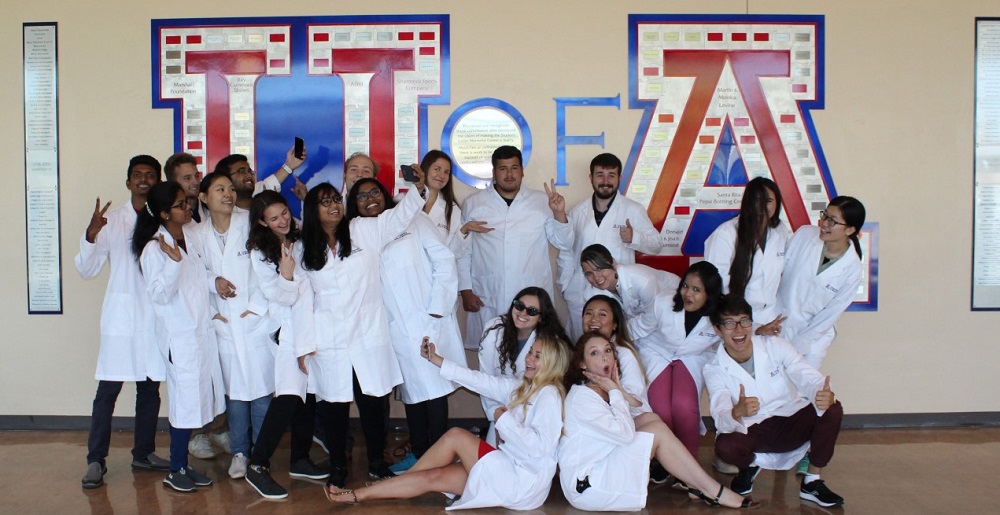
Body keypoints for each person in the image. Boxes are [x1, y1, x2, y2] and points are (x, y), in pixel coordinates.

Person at [294, 173, 429, 488]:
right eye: (324, 202)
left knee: (372, 403)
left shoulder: (363, 230)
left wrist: (419, 189)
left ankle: (377, 461)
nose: (333, 207)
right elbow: (301, 302)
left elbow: (399, 217)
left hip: (368, 334)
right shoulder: (303, 249)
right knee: (334, 407)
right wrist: (303, 345)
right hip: (328, 339)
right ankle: (338, 465)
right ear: (312, 210)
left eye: (335, 200)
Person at [327, 336, 570, 510]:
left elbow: (539, 447)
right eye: (531, 352)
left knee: (455, 435)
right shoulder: (521, 386)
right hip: (506, 471)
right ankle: (356, 496)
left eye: (538, 356)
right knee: (431, 478)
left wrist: (502, 418)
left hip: (522, 481)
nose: (530, 358)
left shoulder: (549, 395)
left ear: (552, 363)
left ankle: (399, 480)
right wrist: (437, 360)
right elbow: (478, 380)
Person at [559, 332, 757, 510]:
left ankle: (700, 486)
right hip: (587, 485)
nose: (604, 357)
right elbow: (626, 434)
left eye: (608, 350)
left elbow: (639, 409)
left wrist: (617, 389)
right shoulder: (582, 398)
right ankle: (713, 490)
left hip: (602, 461)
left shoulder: (601, 389)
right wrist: (614, 391)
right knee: (657, 431)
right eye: (594, 353)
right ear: (582, 364)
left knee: (651, 419)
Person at [76, 155, 169, 488]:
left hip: (154, 318)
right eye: (137, 175)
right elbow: (86, 270)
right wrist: (90, 236)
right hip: (121, 318)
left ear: (157, 181)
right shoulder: (110, 221)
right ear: (128, 181)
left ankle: (143, 453)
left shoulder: (164, 219)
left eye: (149, 175)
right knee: (107, 392)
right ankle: (95, 460)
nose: (143, 179)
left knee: (149, 390)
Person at [704, 296, 845, 507]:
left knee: (832, 409)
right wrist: (736, 412)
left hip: (789, 419)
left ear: (752, 323)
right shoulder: (714, 368)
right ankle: (749, 467)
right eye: (729, 324)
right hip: (755, 428)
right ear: (717, 329)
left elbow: (804, 373)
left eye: (744, 321)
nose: (739, 330)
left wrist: (823, 393)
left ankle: (812, 482)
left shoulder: (774, 345)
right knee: (726, 446)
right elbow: (720, 412)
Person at [132, 181, 226, 492]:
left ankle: (184, 465)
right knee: (184, 405)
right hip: (180, 339)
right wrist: (172, 264)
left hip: (200, 333)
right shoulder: (154, 248)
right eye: (180, 205)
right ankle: (175, 469)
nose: (188, 209)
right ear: (163, 213)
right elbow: (159, 294)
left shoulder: (189, 239)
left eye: (187, 203)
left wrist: (217, 283)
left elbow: (198, 277)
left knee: (198, 401)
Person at [380, 155, 468, 474]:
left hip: (428, 317)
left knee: (434, 389)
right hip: (394, 325)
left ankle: (439, 457)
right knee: (414, 392)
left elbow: (445, 261)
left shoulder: (418, 222)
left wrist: (437, 309)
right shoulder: (370, 230)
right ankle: (418, 454)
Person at [243, 191, 326, 499]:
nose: (282, 220)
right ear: (262, 222)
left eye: (284, 213)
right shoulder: (260, 252)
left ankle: (300, 459)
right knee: (289, 396)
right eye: (274, 217)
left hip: (314, 327)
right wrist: (287, 276)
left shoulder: (301, 236)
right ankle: (258, 465)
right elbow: (280, 297)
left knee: (309, 396)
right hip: (288, 330)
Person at [194, 172, 276, 480]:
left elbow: (268, 267)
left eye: (230, 189)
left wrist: (256, 309)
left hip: (255, 318)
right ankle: (240, 452)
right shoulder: (196, 234)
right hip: (224, 322)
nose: (228, 194)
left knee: (262, 391)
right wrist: (213, 283)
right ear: (203, 198)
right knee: (236, 393)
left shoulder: (250, 223)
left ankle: (261, 454)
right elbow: (192, 275)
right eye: (220, 189)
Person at [457, 145, 573, 349]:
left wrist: (559, 213)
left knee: (534, 355)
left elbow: (563, 243)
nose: (509, 174)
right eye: (502, 168)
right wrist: (465, 291)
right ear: (494, 172)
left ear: (522, 171)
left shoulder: (541, 201)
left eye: (514, 168)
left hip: (531, 293)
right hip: (489, 293)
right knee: (492, 356)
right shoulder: (474, 203)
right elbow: (465, 251)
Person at [557, 153, 663, 340]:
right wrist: (565, 284)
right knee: (580, 347)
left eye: (611, 175)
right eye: (600, 175)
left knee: (614, 347)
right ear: (591, 178)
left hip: (617, 294)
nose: (605, 181)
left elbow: (656, 245)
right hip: (580, 292)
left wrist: (635, 238)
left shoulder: (632, 209)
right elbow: (566, 250)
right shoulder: (578, 211)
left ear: (619, 178)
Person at [638, 262, 724, 458]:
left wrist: (760, 330)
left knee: (683, 405)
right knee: (660, 408)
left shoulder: (719, 313)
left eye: (696, 290)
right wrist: (615, 337)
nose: (688, 294)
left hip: (691, 357)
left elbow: (736, 327)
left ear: (709, 293)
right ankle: (664, 459)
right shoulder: (663, 302)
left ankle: (688, 461)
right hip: (658, 352)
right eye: (685, 286)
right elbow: (641, 326)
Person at [775, 196, 865, 369]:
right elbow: (777, 273)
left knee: (802, 392)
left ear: (850, 230)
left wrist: (797, 346)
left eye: (833, 221)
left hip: (812, 340)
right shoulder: (804, 235)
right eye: (825, 215)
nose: (824, 224)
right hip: (778, 325)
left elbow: (831, 314)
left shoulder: (852, 268)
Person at [477, 287, 570, 445]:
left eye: (532, 311)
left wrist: (517, 419)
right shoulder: (494, 329)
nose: (523, 313)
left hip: (532, 412)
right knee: (489, 458)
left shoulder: (549, 340)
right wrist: (497, 415)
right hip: (500, 409)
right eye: (519, 306)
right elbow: (484, 379)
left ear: (541, 317)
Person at [703, 177, 790, 327]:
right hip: (736, 318)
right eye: (756, 200)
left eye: (768, 201)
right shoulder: (726, 234)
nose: (761, 206)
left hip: (770, 316)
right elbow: (715, 283)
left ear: (777, 203)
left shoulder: (780, 231)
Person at [579, 243, 679, 342]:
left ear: (613, 263)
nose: (596, 277)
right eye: (589, 273)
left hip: (673, 306)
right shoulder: (591, 295)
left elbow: (653, 317)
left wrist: (622, 334)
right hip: (642, 324)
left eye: (600, 269)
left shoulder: (642, 281)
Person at [214, 146, 306, 210]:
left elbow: (270, 183)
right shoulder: (221, 213)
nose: (249, 175)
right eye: (242, 171)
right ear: (225, 179)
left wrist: (289, 165)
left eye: (250, 171)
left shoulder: (258, 195)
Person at [164, 152, 205, 223]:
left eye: (197, 176)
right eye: (187, 178)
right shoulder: (167, 214)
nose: (196, 182)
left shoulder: (210, 208)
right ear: (172, 182)